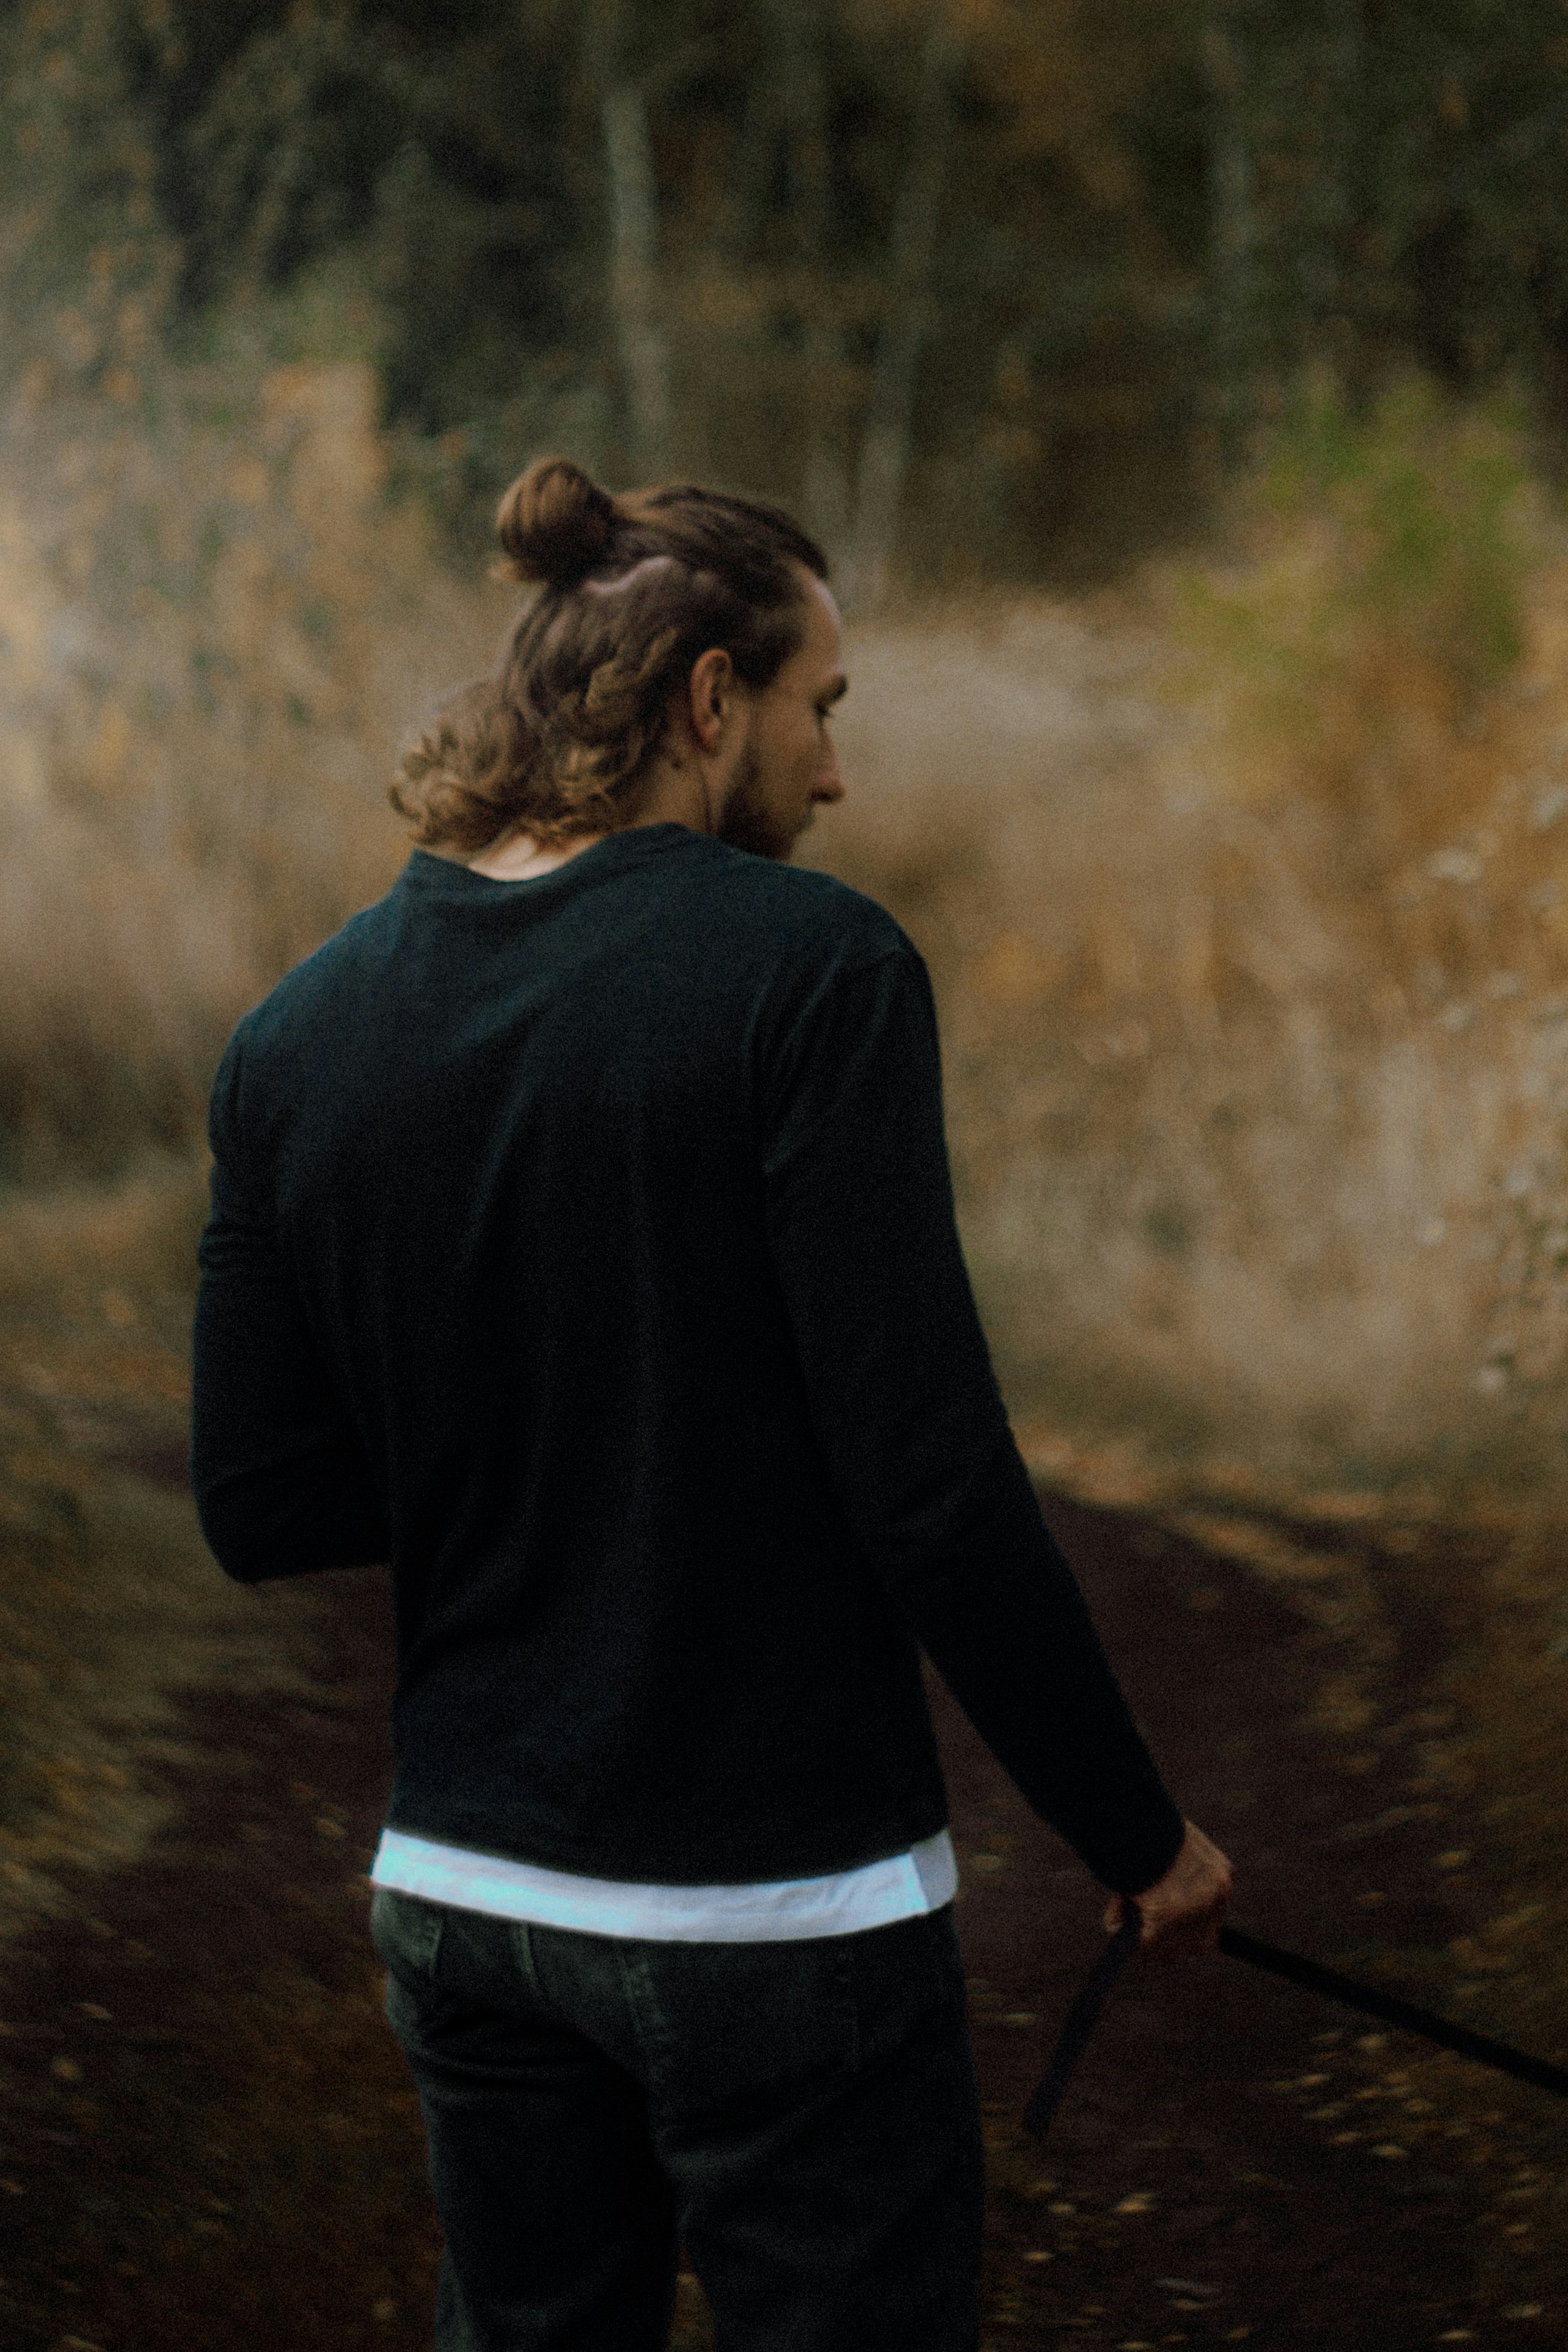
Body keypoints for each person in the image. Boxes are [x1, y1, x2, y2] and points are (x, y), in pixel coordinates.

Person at [190, 455, 1233, 2352]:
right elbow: (926, 1482)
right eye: (818, 709)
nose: (833, 773)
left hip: (465, 1897)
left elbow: (261, 1499)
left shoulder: (293, 1036)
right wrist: (1133, 1837)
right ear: (702, 699)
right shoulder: (809, 976)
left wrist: (521, 1422)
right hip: (779, 1915)